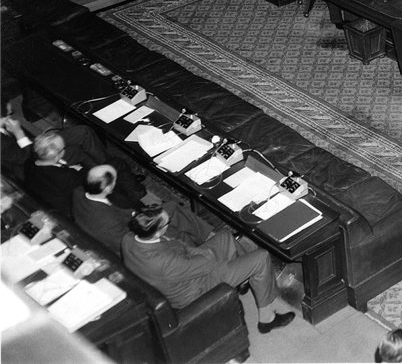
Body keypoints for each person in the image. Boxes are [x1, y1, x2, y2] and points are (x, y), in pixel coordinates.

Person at [122, 205, 295, 333]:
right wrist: (198, 251)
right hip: (196, 289)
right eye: (168, 223)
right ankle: (267, 318)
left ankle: (244, 278)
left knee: (225, 237)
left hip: (184, 272)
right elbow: (207, 261)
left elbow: (185, 251)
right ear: (158, 232)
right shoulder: (164, 262)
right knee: (261, 256)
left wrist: (193, 251)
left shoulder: (129, 239)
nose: (170, 224)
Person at [71, 164, 214, 254]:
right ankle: (206, 237)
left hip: (128, 221)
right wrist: (147, 219)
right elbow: (128, 242)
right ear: (108, 188)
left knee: (169, 208)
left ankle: (201, 234)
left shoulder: (78, 192)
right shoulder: (108, 222)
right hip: (135, 234)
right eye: (115, 181)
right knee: (172, 208)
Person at [22, 129, 145, 217]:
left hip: (52, 193)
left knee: (77, 151)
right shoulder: (67, 176)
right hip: (74, 206)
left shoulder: (30, 163)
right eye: (63, 148)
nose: (65, 149)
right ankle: (137, 198)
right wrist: (78, 169)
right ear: (56, 156)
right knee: (117, 162)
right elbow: (86, 180)